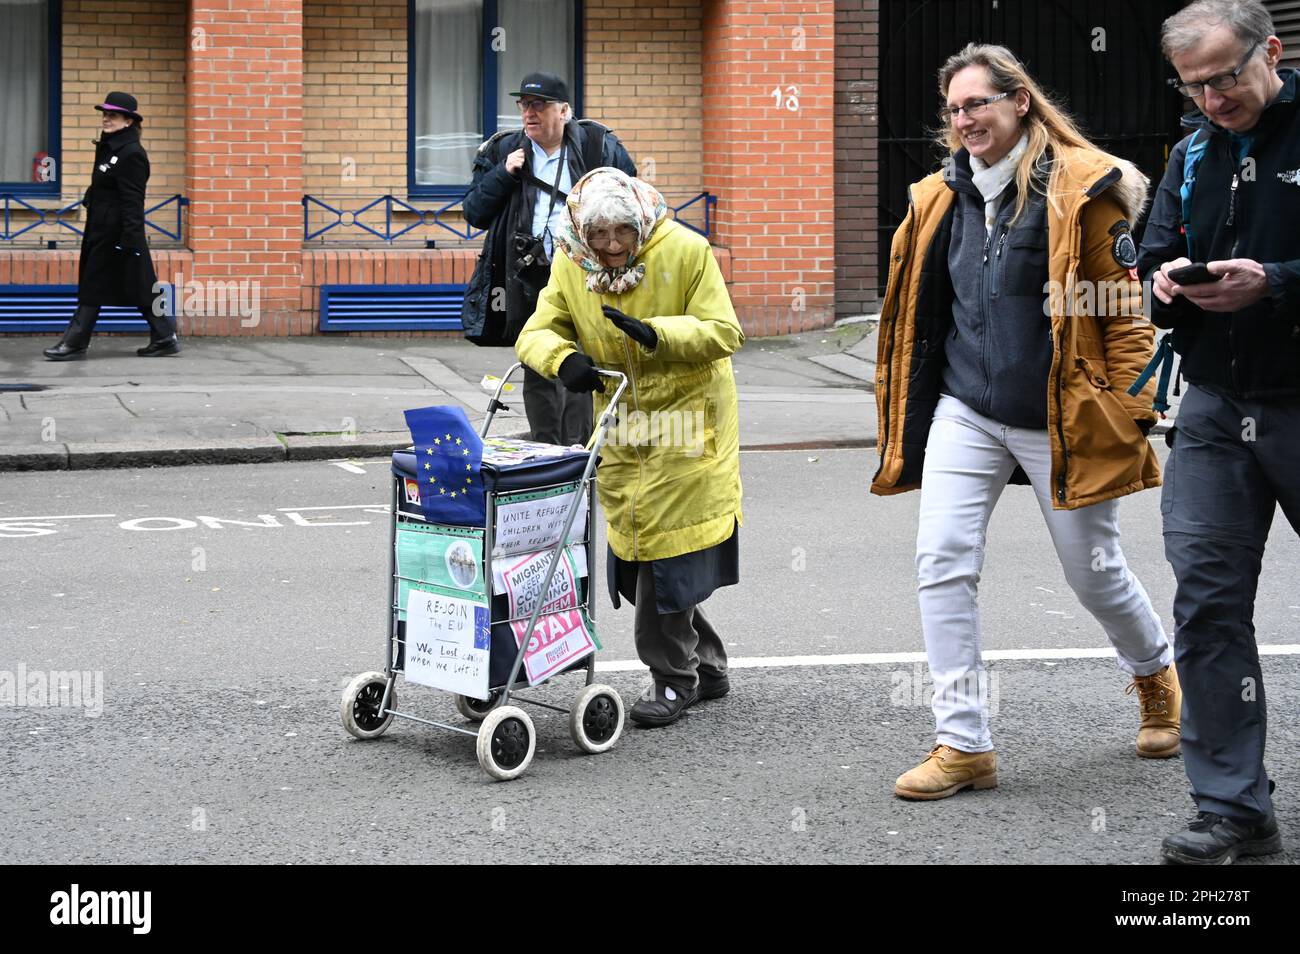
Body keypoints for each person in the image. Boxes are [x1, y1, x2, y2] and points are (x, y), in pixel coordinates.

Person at [873, 43, 1179, 800]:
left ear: (1019, 102)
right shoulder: (940, 195)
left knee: (1094, 573)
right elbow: (916, 312)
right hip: (966, 409)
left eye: (978, 102)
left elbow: (1121, 309)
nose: (965, 119)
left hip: (1060, 414)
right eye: (954, 109)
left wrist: (1134, 408)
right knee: (940, 560)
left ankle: (1155, 675)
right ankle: (963, 743)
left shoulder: (1082, 190)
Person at [1137, 0, 1297, 865]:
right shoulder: (1193, 148)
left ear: (1270, 51)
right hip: (1211, 406)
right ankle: (1234, 808)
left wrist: (1275, 281)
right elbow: (1153, 242)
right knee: (1206, 602)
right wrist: (1161, 276)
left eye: (1225, 77)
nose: (1210, 99)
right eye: (1192, 84)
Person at [515, 168, 743, 728]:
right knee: (648, 556)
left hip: (689, 424)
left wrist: (657, 334)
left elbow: (724, 331)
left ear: (641, 222)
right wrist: (561, 360)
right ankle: (707, 664)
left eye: (622, 233)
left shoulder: (688, 250)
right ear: (579, 233)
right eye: (599, 236)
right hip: (621, 424)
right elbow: (537, 330)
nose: (612, 247)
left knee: (664, 558)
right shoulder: (572, 261)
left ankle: (673, 680)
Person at [461, 72, 636, 446]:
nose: (529, 113)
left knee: (581, 361)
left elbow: (634, 202)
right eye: (524, 105)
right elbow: (474, 212)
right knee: (538, 361)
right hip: (527, 274)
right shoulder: (503, 150)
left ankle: (579, 451)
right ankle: (545, 451)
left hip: (585, 270)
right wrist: (504, 174)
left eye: (539, 105)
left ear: (565, 110)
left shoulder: (597, 146)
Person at [43, 91, 179, 361]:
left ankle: (75, 342)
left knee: (94, 284)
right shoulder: (111, 147)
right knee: (141, 286)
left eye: (112, 115)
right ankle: (164, 337)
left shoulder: (131, 154)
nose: (106, 119)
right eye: (104, 114)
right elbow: (107, 183)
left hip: (118, 233)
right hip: (103, 229)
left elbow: (132, 201)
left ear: (128, 121)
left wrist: (130, 240)